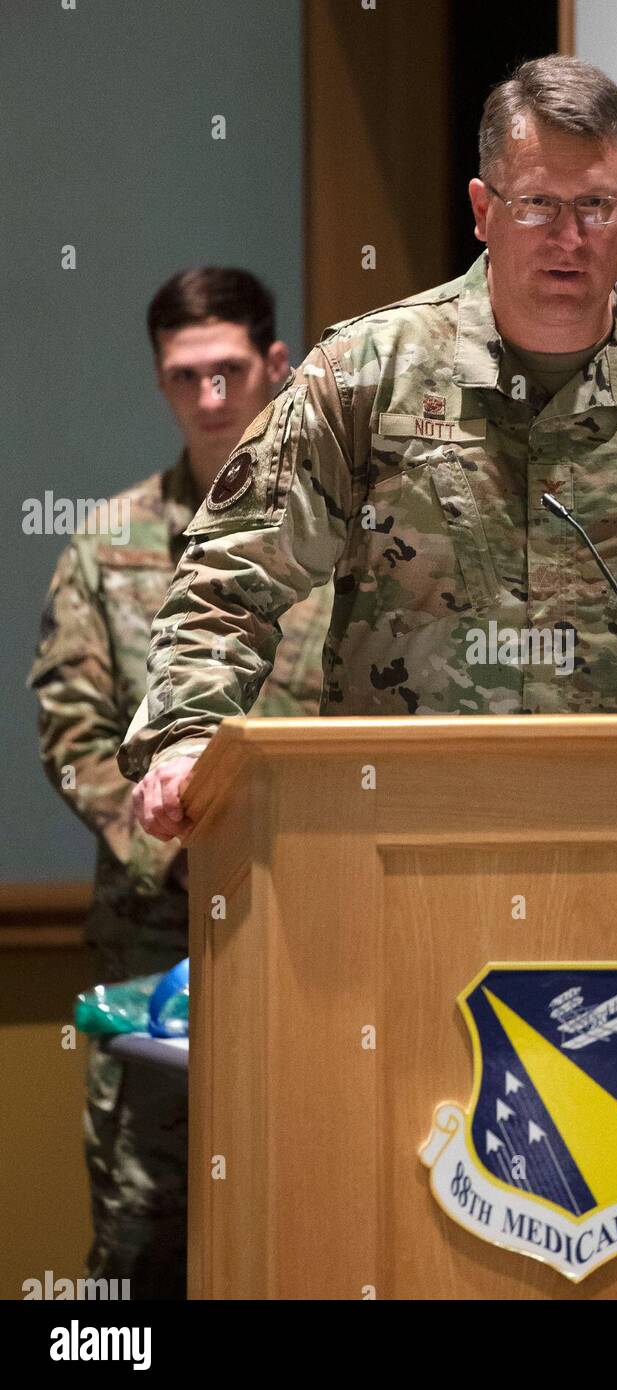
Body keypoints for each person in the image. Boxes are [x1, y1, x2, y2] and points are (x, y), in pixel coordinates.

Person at [119, 55, 617, 844]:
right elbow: (227, 584)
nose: (569, 238)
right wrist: (187, 737)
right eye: (537, 204)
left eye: (596, 206)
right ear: (483, 208)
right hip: (397, 845)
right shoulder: (370, 376)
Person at [28, 267, 333, 1298]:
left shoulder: (343, 543)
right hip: (156, 933)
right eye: (184, 376)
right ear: (161, 385)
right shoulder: (106, 548)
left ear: (274, 367)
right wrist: (175, 838)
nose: (209, 397)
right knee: (144, 1232)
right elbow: (73, 731)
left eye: (228, 370)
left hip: (315, 927)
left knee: (319, 1211)